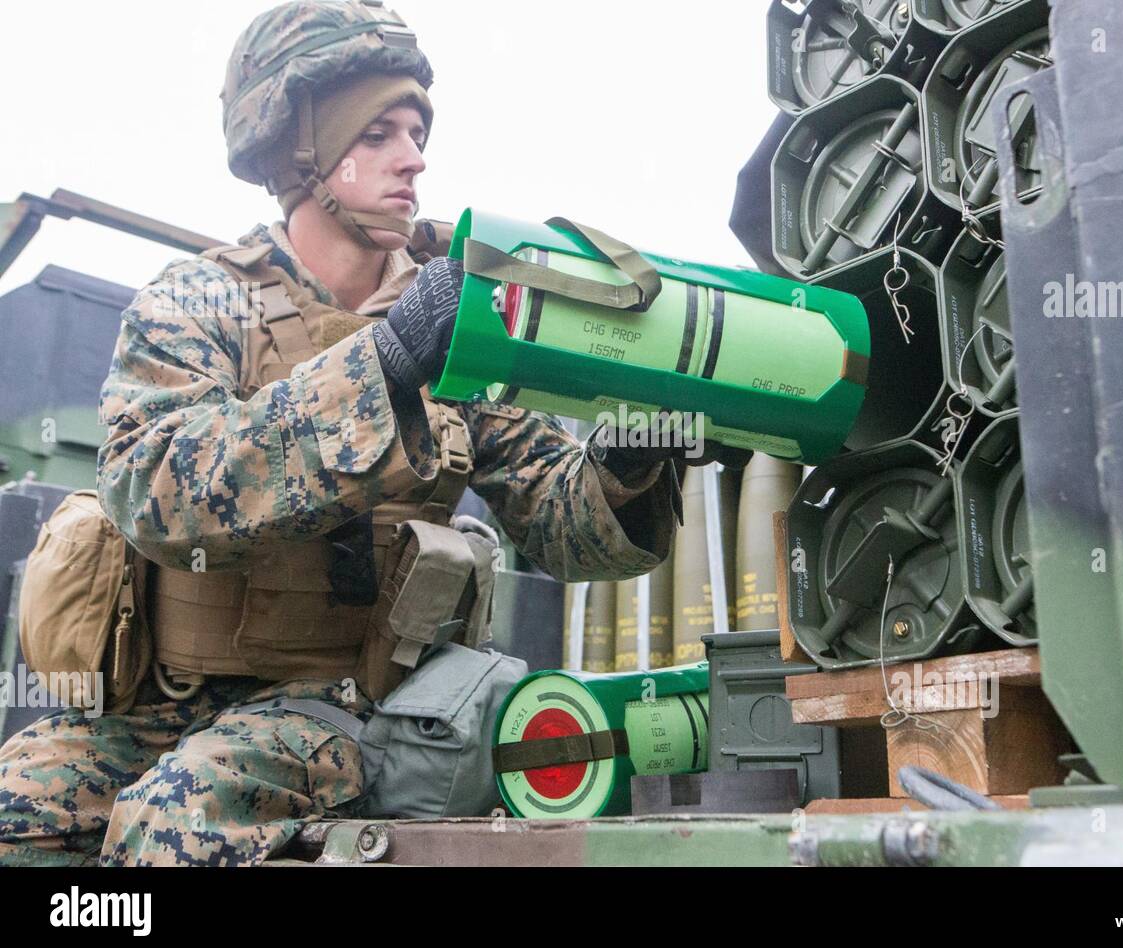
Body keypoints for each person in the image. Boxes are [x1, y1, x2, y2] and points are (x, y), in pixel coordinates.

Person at [0, 0, 741, 867]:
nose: (415, 157)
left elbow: (563, 528)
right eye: (381, 132)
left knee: (175, 825)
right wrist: (385, 363)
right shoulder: (198, 301)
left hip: (347, 703)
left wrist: (624, 463)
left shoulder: (461, 320)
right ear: (300, 152)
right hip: (164, 700)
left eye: (418, 131)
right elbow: (157, 491)